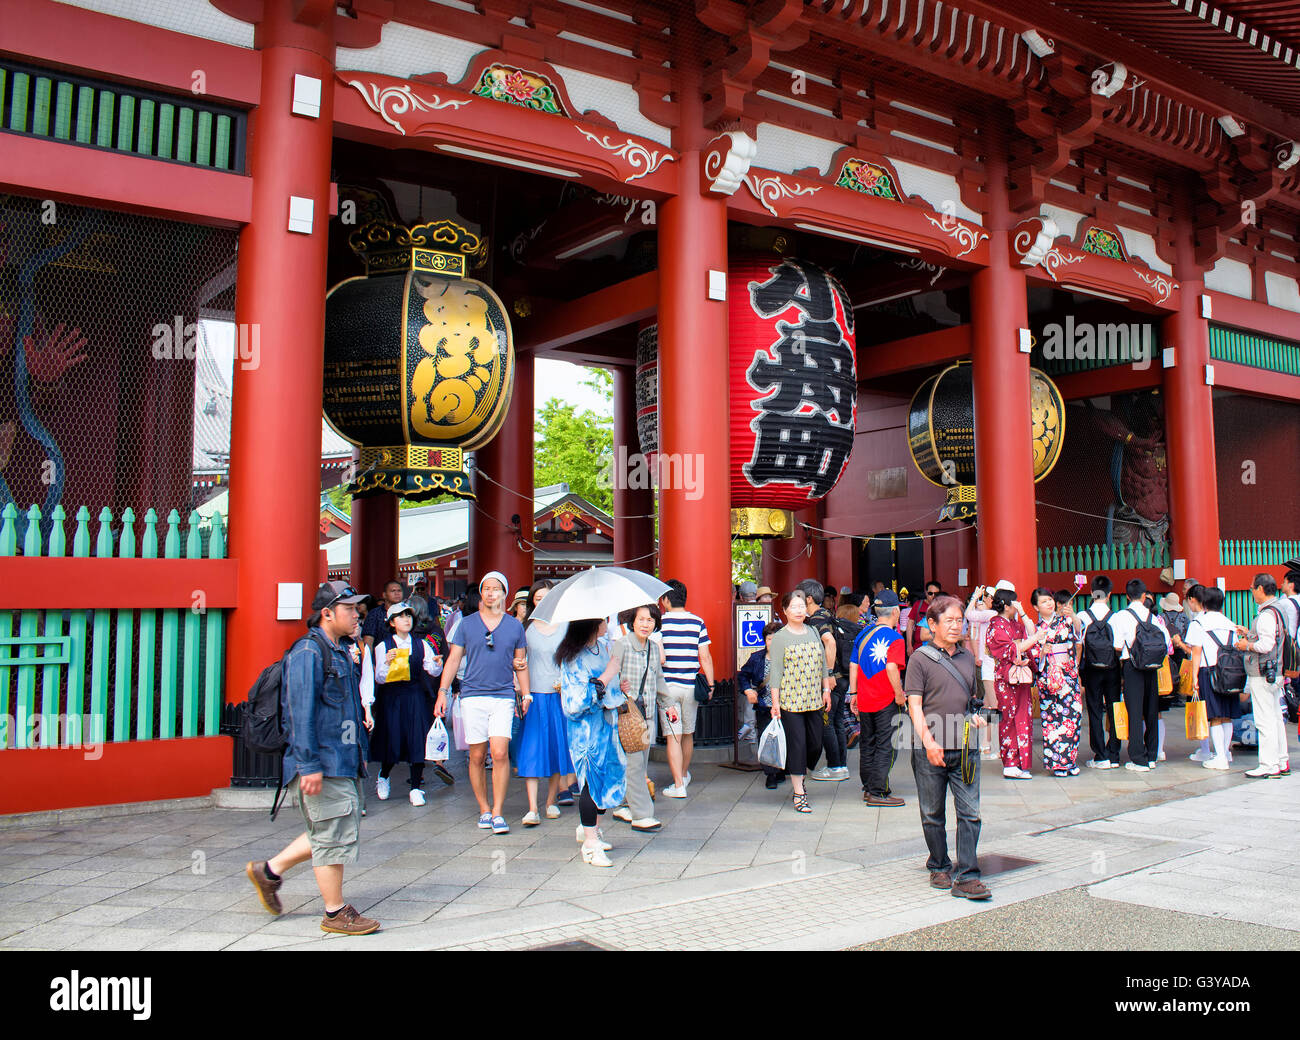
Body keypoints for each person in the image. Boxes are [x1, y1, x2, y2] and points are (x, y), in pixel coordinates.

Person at [245, 581, 381, 935]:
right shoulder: (308, 653)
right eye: (349, 609)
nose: (356, 615)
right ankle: (335, 913)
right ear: (327, 613)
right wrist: (308, 766)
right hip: (323, 760)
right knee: (332, 834)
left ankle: (269, 871)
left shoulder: (340, 650)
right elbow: (299, 713)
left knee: (329, 829)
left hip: (343, 758)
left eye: (357, 609)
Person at [905, 594, 990, 900]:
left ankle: (968, 875)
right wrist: (928, 742)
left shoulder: (968, 657)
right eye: (950, 621)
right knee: (932, 812)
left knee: (970, 812)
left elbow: (973, 700)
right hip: (931, 746)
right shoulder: (920, 659)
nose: (956, 626)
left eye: (960, 620)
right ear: (932, 624)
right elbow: (913, 705)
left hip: (965, 745)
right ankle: (939, 864)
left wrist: (977, 717)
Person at [435, 572, 529, 835]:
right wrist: (443, 691)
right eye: (486, 589)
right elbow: (453, 660)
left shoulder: (514, 626)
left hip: (503, 695)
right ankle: (484, 808)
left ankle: (498, 812)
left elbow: (520, 663)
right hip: (473, 694)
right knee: (476, 755)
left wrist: (526, 693)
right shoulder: (466, 624)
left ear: (504, 594)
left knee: (499, 752)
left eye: (496, 589)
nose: (490, 593)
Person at [557, 619, 627, 866]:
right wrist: (607, 677)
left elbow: (610, 688)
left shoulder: (604, 647)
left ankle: (592, 830)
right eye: (601, 621)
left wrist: (618, 684)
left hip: (607, 726)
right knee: (589, 782)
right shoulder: (573, 657)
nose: (606, 624)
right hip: (586, 733)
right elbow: (574, 703)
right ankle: (590, 843)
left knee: (606, 779)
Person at [515, 580, 577, 825]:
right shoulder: (525, 628)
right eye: (538, 597)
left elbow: (573, 659)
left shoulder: (566, 626)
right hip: (534, 695)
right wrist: (522, 688)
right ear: (532, 601)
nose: (542, 601)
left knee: (555, 749)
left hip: (559, 695)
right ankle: (532, 807)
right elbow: (519, 661)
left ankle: (550, 801)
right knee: (532, 749)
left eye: (547, 596)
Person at [370, 602, 444, 806]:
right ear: (392, 622)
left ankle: (416, 788)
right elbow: (379, 678)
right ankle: (384, 775)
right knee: (393, 737)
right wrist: (385, 661)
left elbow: (432, 670)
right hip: (392, 698)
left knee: (417, 738)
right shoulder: (383, 646)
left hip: (415, 695)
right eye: (401, 616)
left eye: (408, 616)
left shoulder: (421, 644)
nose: (406, 620)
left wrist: (438, 664)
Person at [601, 604, 667, 830]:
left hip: (647, 714)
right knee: (635, 765)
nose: (646, 624)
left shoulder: (653, 648)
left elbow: (658, 678)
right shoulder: (621, 645)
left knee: (640, 762)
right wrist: (618, 685)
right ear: (633, 621)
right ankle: (642, 814)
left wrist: (668, 705)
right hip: (627, 714)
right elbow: (611, 672)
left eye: (650, 620)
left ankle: (622, 804)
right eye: (642, 620)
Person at [768, 590, 833, 813]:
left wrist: (826, 689)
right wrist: (775, 703)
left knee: (815, 744)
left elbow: (823, 663)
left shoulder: (814, 631)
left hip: (814, 699)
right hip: (790, 701)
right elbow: (775, 672)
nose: (799, 611)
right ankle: (799, 791)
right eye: (794, 607)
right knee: (798, 745)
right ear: (784, 611)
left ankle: (799, 772)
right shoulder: (780, 638)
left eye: (801, 606)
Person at [657, 580, 714, 798]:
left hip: (668, 689)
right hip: (691, 686)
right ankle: (683, 774)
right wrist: (711, 684)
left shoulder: (660, 623)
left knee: (674, 736)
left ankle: (678, 785)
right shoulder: (697, 622)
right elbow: (705, 657)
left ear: (666, 600)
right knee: (688, 734)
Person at [850, 590, 906, 806]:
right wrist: (900, 695)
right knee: (887, 744)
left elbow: (853, 665)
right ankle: (878, 791)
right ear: (895, 611)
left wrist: (853, 693)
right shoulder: (895, 638)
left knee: (868, 742)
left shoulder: (863, 634)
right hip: (885, 699)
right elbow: (892, 667)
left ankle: (869, 786)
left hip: (864, 697)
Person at [1109, 578, 1166, 771]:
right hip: (1152, 666)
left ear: (1126, 595)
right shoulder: (1152, 616)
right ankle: (1151, 755)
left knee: (1134, 711)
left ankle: (1138, 758)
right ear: (1144, 596)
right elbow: (1165, 641)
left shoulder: (1120, 616)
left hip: (1132, 666)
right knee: (1151, 710)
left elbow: (1117, 645)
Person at [987, 587, 1045, 779]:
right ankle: (1011, 763)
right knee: (1009, 718)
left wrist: (1022, 613)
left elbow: (1032, 634)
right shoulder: (995, 626)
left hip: (1021, 677)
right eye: (1015, 603)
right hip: (1006, 677)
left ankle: (1022, 763)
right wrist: (1033, 639)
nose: (1017, 606)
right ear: (1006, 604)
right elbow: (1014, 648)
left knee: (1024, 717)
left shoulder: (1015, 624)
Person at [1184, 584, 1243, 770]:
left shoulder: (1198, 624)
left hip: (1208, 672)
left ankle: (1220, 758)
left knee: (1214, 716)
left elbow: (1196, 653)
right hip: (1229, 672)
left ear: (1204, 604)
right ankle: (1225, 753)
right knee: (1227, 716)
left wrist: (1194, 679)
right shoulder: (1230, 623)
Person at [1237, 573, 1289, 779]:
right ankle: (1281, 760)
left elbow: (1267, 645)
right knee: (1275, 718)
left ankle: (1268, 764)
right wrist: (1249, 633)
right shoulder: (1280, 610)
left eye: (1252, 588)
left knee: (1264, 719)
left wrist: (1246, 645)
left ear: (1260, 589)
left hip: (1262, 672)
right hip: (1275, 671)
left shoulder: (1267, 614)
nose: (1251, 591)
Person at [800, 579, 848, 782]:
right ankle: (840, 765)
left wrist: (827, 674)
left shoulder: (817, 620)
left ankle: (835, 766)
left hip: (832, 680)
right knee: (836, 722)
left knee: (826, 723)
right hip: (841, 678)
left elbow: (829, 641)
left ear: (808, 598)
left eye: (800, 597)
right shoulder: (828, 614)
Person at [1032, 587, 1083, 777]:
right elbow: (1033, 655)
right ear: (1036, 607)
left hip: (1068, 676)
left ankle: (1070, 761)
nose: (1049, 603)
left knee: (1073, 717)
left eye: (1050, 600)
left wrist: (1074, 616)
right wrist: (1042, 653)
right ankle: (1058, 763)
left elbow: (1078, 633)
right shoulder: (1036, 629)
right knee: (1053, 721)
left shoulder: (1066, 620)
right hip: (1050, 679)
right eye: (1044, 601)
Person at [1079, 575, 1122, 769]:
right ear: (1110, 594)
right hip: (1113, 668)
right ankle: (1114, 753)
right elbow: (1120, 646)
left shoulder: (1082, 616)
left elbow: (1077, 645)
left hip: (1091, 669)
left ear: (1091, 592)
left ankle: (1100, 755)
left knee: (1095, 710)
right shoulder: (1117, 617)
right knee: (1114, 709)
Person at [740, 621, 784, 789]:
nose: (772, 643)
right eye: (769, 639)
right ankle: (770, 773)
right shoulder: (756, 658)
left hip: (785, 705)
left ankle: (781, 769)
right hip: (765, 706)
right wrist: (747, 691)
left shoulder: (789, 656)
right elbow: (743, 676)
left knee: (783, 738)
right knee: (767, 739)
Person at [965, 585, 998, 758]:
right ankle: (988, 744)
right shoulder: (993, 614)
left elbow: (968, 615)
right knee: (990, 705)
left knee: (990, 705)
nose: (983, 599)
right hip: (989, 664)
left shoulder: (991, 614)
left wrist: (974, 597)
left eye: (986, 596)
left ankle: (986, 743)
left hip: (990, 664)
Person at [362, 579, 405, 651]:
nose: (397, 593)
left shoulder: (408, 612)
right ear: (384, 595)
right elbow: (368, 641)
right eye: (393, 591)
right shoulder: (375, 614)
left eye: (399, 591)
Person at [906, 581, 942, 652]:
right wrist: (909, 645)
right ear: (926, 593)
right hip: (918, 647)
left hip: (937, 648)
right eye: (930, 593)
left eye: (936, 594)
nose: (933, 596)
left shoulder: (941, 607)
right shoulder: (918, 605)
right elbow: (910, 624)